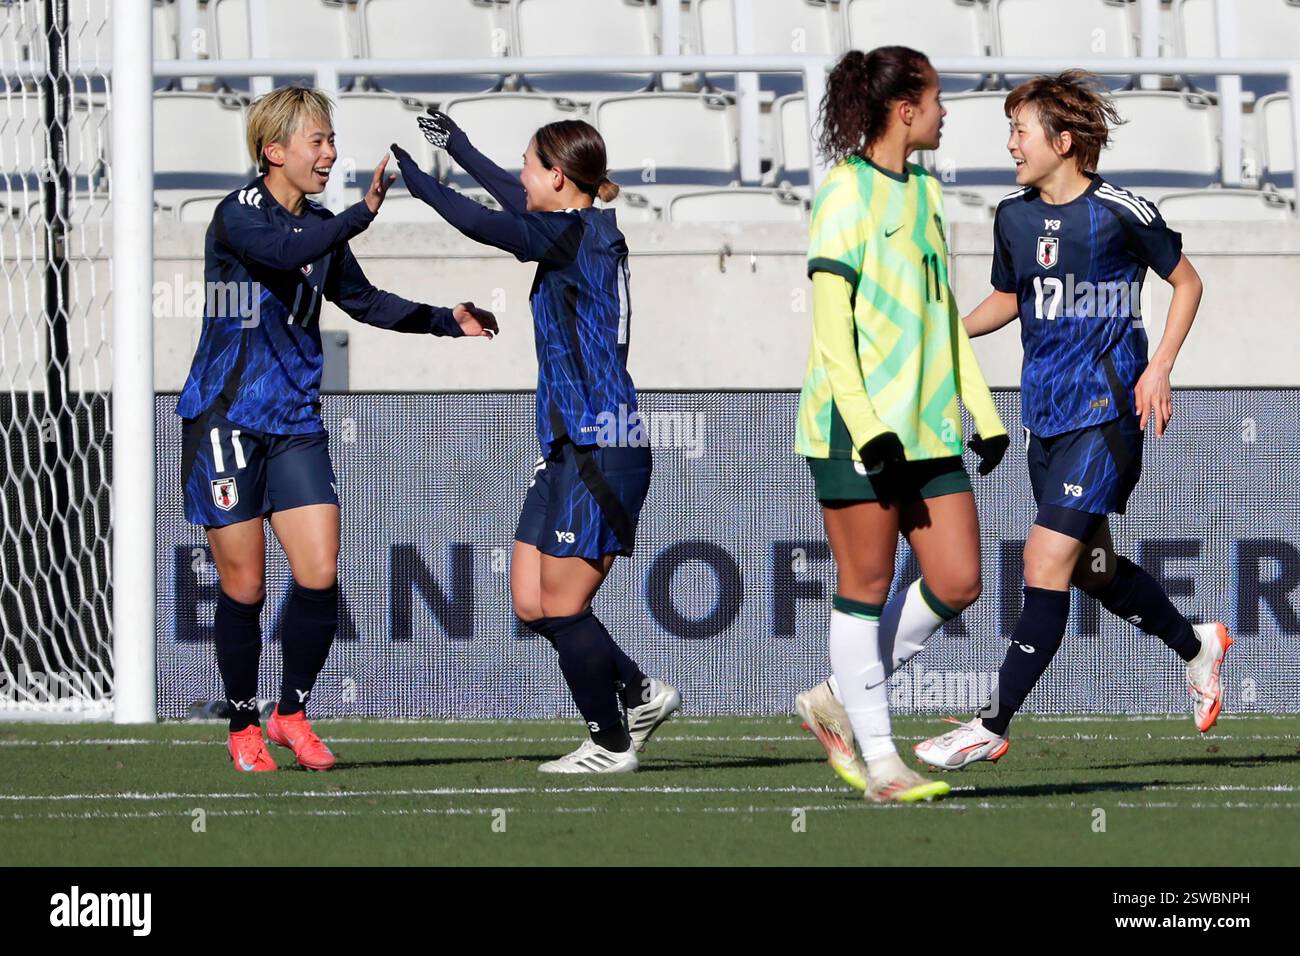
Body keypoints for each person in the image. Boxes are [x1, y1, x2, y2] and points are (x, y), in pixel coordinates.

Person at [914, 71, 1230, 771]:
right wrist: (949, 334)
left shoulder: (1122, 211)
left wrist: (1161, 367)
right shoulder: (1013, 216)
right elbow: (1010, 297)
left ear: (1063, 141)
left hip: (1107, 415)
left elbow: (1187, 282)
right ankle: (1197, 645)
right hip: (1045, 420)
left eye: (1020, 131)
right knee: (1092, 569)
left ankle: (992, 723)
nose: (1011, 145)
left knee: (1042, 561)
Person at [178, 86, 497, 773]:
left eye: (330, 140)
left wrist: (447, 320)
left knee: (319, 573)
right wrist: (364, 212)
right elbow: (286, 248)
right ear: (275, 151)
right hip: (225, 421)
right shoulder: (239, 217)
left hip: (295, 422)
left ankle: (290, 712)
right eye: (316, 142)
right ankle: (241, 724)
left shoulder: (322, 228)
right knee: (245, 588)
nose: (329, 153)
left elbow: (364, 301)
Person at [391, 109, 680, 773]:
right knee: (531, 600)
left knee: (563, 603)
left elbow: (486, 221)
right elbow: (510, 201)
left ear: (557, 176)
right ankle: (638, 690)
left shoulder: (575, 235)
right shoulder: (572, 225)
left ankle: (610, 742)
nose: (520, 175)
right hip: (564, 447)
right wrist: (457, 146)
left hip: (601, 443)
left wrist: (420, 181)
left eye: (529, 165)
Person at [793, 47, 1009, 802]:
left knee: (959, 578)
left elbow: (945, 315)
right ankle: (881, 761)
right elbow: (830, 335)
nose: (947, 112)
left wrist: (981, 412)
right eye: (939, 98)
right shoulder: (843, 194)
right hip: (856, 433)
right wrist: (868, 429)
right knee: (867, 585)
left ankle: (835, 697)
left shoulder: (926, 191)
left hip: (928, 430)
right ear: (905, 109)